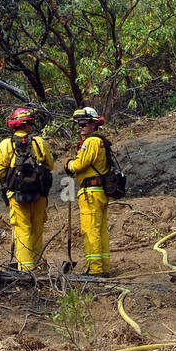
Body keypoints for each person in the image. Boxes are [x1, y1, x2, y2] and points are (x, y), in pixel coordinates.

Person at [0, 107, 54, 272]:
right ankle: (36, 267)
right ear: (28, 125)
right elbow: (50, 165)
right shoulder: (38, 142)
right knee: (36, 229)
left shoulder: (6, 144)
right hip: (39, 194)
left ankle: (25, 271)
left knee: (22, 230)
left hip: (17, 195)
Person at [65, 106, 111, 276]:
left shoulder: (91, 142)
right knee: (100, 230)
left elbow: (79, 165)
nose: (81, 127)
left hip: (90, 193)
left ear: (93, 125)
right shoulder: (101, 141)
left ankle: (95, 269)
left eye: (84, 124)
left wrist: (68, 164)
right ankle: (104, 267)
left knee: (90, 230)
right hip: (100, 192)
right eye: (79, 124)